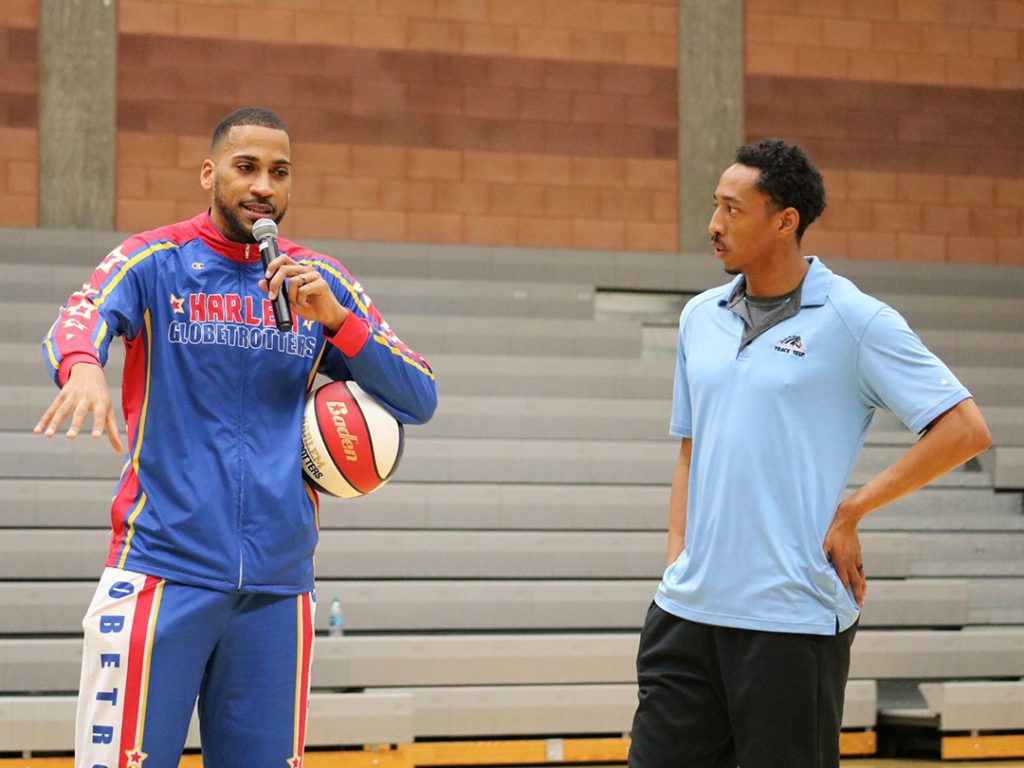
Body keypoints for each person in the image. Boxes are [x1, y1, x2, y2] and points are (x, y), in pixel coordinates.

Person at [35, 106, 437, 768]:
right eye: (246, 167)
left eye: (280, 172)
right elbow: (80, 317)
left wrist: (337, 321)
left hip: (278, 587)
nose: (263, 187)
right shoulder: (155, 260)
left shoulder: (319, 281)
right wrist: (82, 368)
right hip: (161, 570)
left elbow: (419, 394)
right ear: (209, 173)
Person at [627, 139, 991, 768]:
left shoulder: (856, 320)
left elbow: (964, 429)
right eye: (715, 206)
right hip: (685, 617)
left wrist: (852, 511)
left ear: (785, 221)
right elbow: (691, 452)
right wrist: (675, 566)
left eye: (733, 209)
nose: (714, 224)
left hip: (790, 624)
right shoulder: (698, 318)